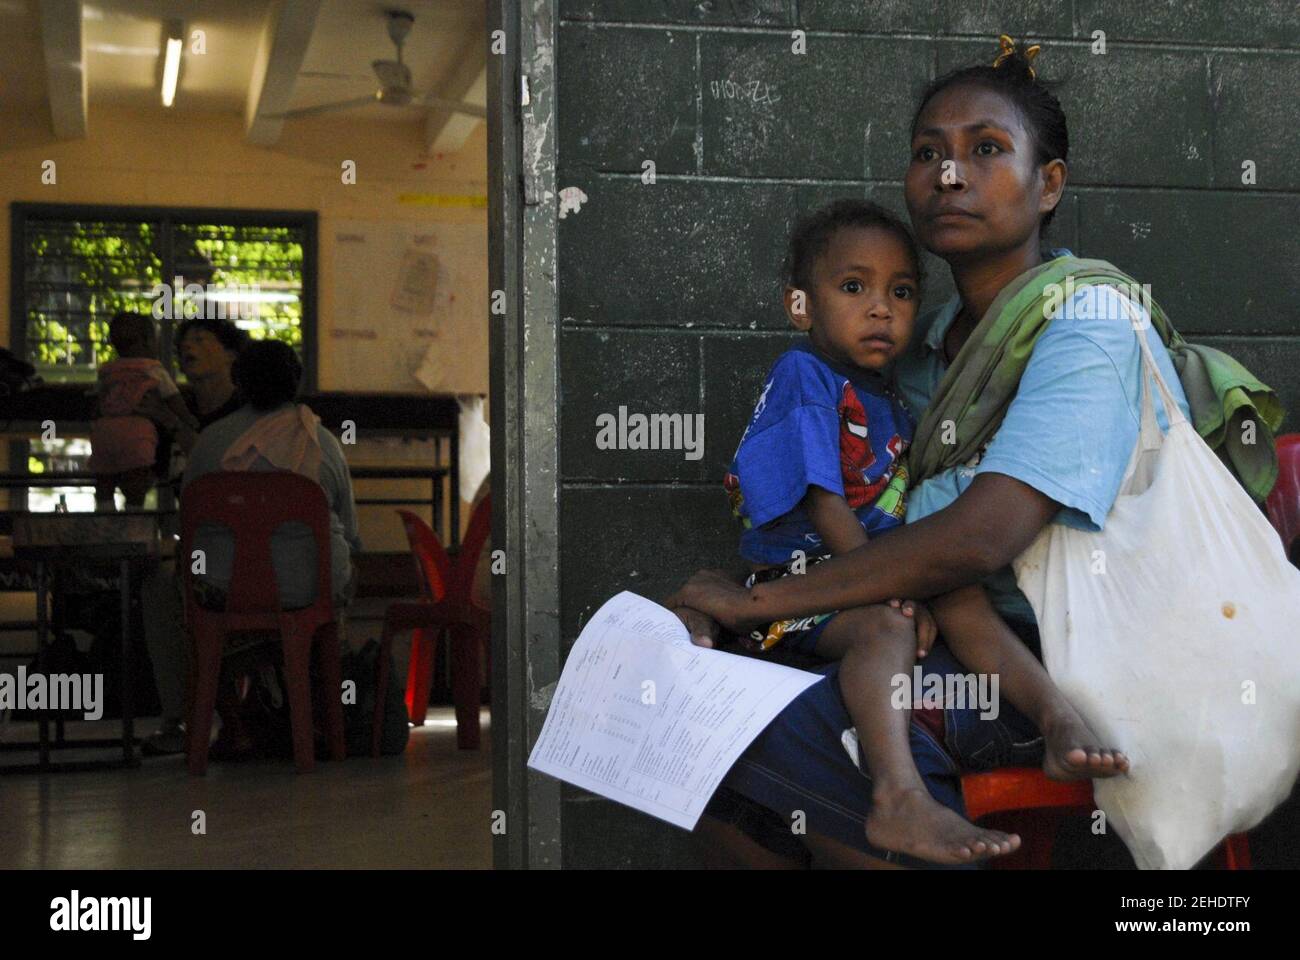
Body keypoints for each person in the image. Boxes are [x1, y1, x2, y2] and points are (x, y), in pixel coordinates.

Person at [667, 37, 1195, 869]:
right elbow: (864, 527)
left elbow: (978, 540)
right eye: (928, 154)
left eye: (985, 150)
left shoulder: (1088, 326)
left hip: (1071, 669)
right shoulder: (914, 358)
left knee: (797, 723)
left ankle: (903, 814)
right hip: (939, 631)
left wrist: (759, 605)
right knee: (696, 703)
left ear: (1048, 183)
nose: (949, 175)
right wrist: (735, 605)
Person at [718, 197, 1126, 864]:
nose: (881, 308)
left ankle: (1054, 714)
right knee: (888, 628)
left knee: (960, 593)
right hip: (807, 584)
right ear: (800, 306)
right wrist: (888, 594)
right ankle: (898, 797)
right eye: (854, 288)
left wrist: (911, 585)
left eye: (901, 291)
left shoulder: (893, 398)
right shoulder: (804, 375)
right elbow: (825, 501)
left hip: (873, 575)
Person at [181, 339, 361, 759]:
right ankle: (321, 719)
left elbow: (187, 525)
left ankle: (234, 724)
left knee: (185, 606)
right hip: (307, 592)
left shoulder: (210, 442)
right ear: (295, 383)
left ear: (238, 384)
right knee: (337, 588)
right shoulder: (321, 443)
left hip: (221, 593)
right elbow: (351, 534)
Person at [137, 315, 249, 755]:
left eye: (203, 339)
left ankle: (236, 714)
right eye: (185, 341)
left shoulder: (244, 413)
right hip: (190, 546)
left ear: (232, 355)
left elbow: (213, 459)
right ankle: (176, 720)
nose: (190, 347)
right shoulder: (171, 410)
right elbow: (162, 486)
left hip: (240, 550)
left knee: (188, 592)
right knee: (157, 590)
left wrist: (173, 422)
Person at [88, 312, 198, 510]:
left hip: (103, 431)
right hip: (137, 429)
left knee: (104, 482)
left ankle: (104, 514)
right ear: (149, 341)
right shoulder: (152, 368)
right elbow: (172, 397)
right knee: (136, 483)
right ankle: (134, 515)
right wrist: (189, 419)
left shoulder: (107, 370)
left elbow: (97, 403)